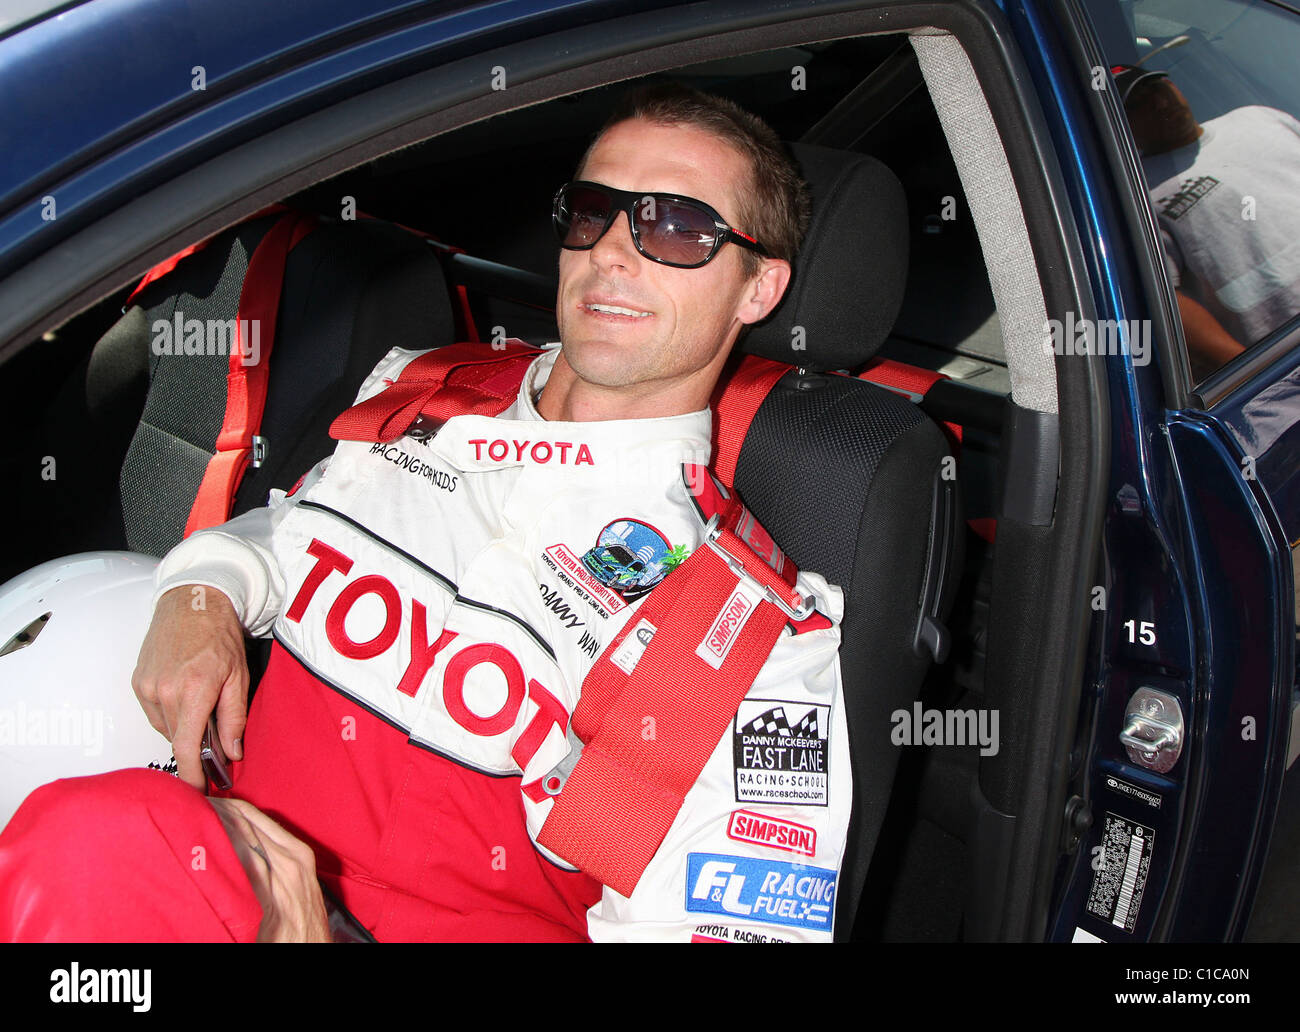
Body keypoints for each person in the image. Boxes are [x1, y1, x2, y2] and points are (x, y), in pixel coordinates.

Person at [0, 84, 850, 943]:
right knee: (90, 837)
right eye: (594, 212)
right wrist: (207, 590)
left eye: (678, 229)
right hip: (209, 880)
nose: (615, 253)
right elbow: (294, 532)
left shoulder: (748, 638)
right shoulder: (424, 397)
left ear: (759, 288)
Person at [1114, 64, 1300, 380]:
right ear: (1120, 124)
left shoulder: (1257, 118)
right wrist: (1249, 372)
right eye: (1137, 105)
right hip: (1285, 359)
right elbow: (1165, 299)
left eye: (1158, 89)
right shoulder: (1140, 195)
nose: (1160, 104)